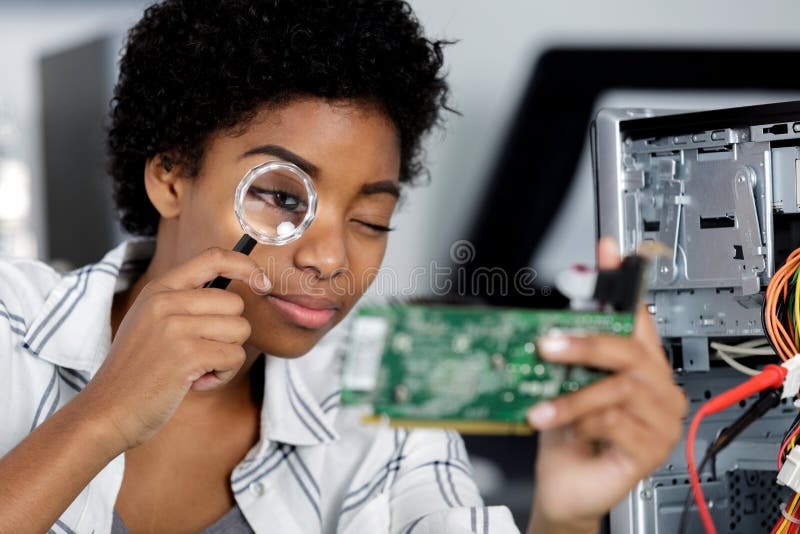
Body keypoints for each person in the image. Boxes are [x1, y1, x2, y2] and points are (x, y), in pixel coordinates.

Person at [0, 1, 687, 532]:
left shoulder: (385, 417)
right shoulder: (11, 326)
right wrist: (100, 419)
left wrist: (563, 518)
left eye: (369, 220)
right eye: (279, 196)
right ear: (171, 177)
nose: (330, 257)